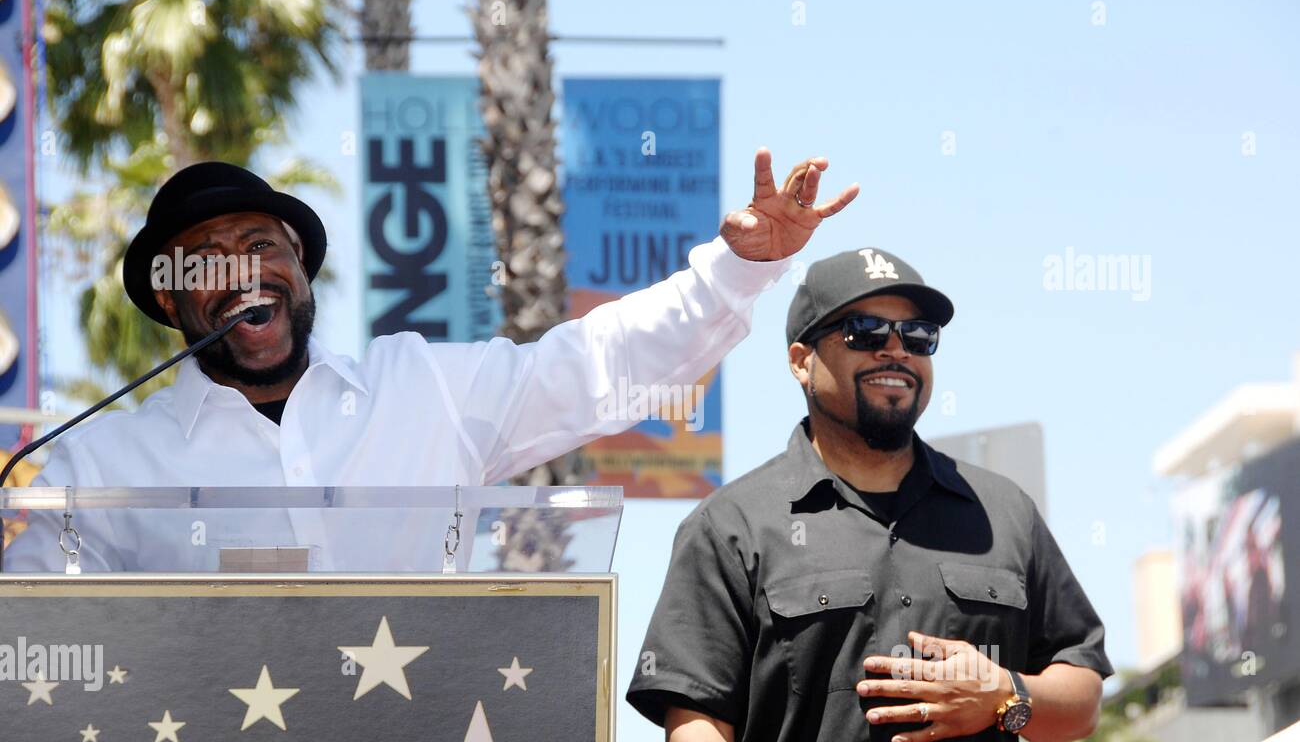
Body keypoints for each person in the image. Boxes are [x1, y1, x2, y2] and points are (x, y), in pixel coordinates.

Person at [4, 151, 857, 572]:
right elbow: (40, 652)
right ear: (171, 300)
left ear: (301, 273)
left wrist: (742, 265)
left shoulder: (423, 386)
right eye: (205, 259)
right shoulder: (95, 464)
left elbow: (602, 362)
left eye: (261, 245)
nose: (238, 271)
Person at [626, 246, 1114, 742]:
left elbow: (1081, 696)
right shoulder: (731, 526)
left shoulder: (1004, 512)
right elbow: (699, 725)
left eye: (918, 335)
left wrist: (1005, 696)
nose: (896, 350)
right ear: (801, 361)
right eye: (864, 331)